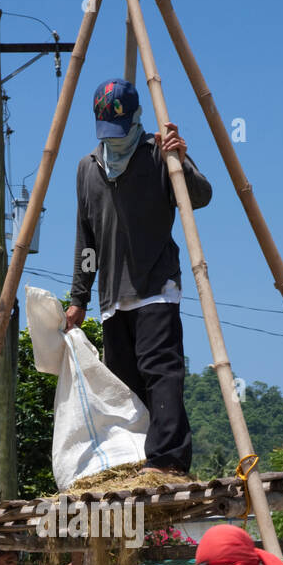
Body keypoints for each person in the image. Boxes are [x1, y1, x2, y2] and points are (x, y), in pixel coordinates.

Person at [66, 77, 212, 476]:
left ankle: (167, 461)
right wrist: (79, 296)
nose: (114, 140)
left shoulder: (156, 154)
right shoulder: (88, 168)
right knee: (123, 386)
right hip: (113, 297)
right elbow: (87, 241)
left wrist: (181, 157)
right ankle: (132, 460)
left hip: (155, 287)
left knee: (160, 372)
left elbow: (199, 196)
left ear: (135, 120)